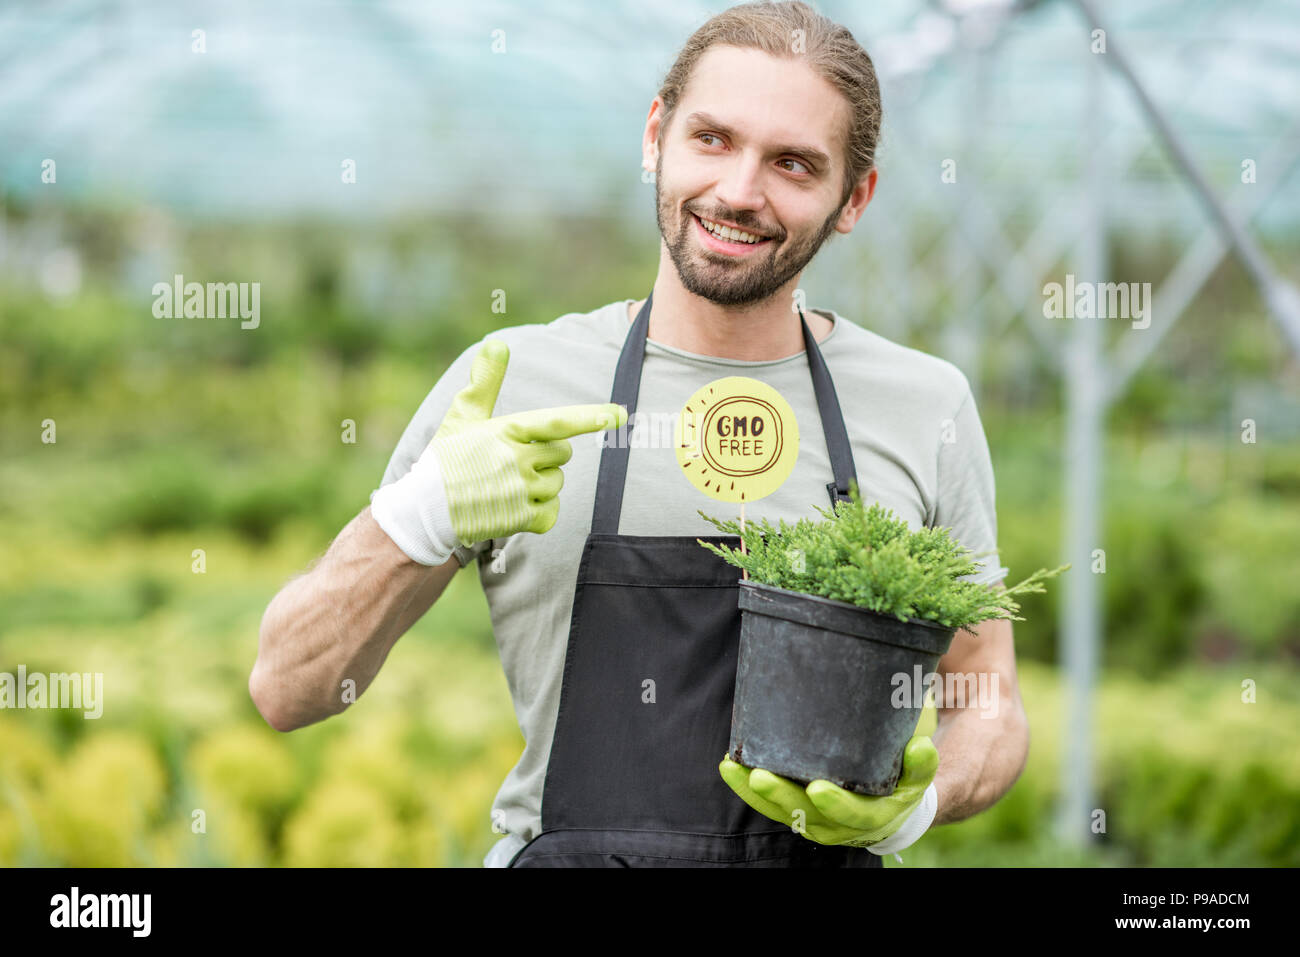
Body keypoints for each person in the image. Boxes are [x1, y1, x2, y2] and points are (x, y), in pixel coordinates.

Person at [250, 0, 1029, 868]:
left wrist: (918, 805)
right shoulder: (512, 381)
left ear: (855, 198)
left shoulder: (923, 404)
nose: (740, 191)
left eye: (794, 164)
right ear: (655, 136)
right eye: (713, 139)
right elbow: (290, 686)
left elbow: (983, 684)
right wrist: (420, 515)